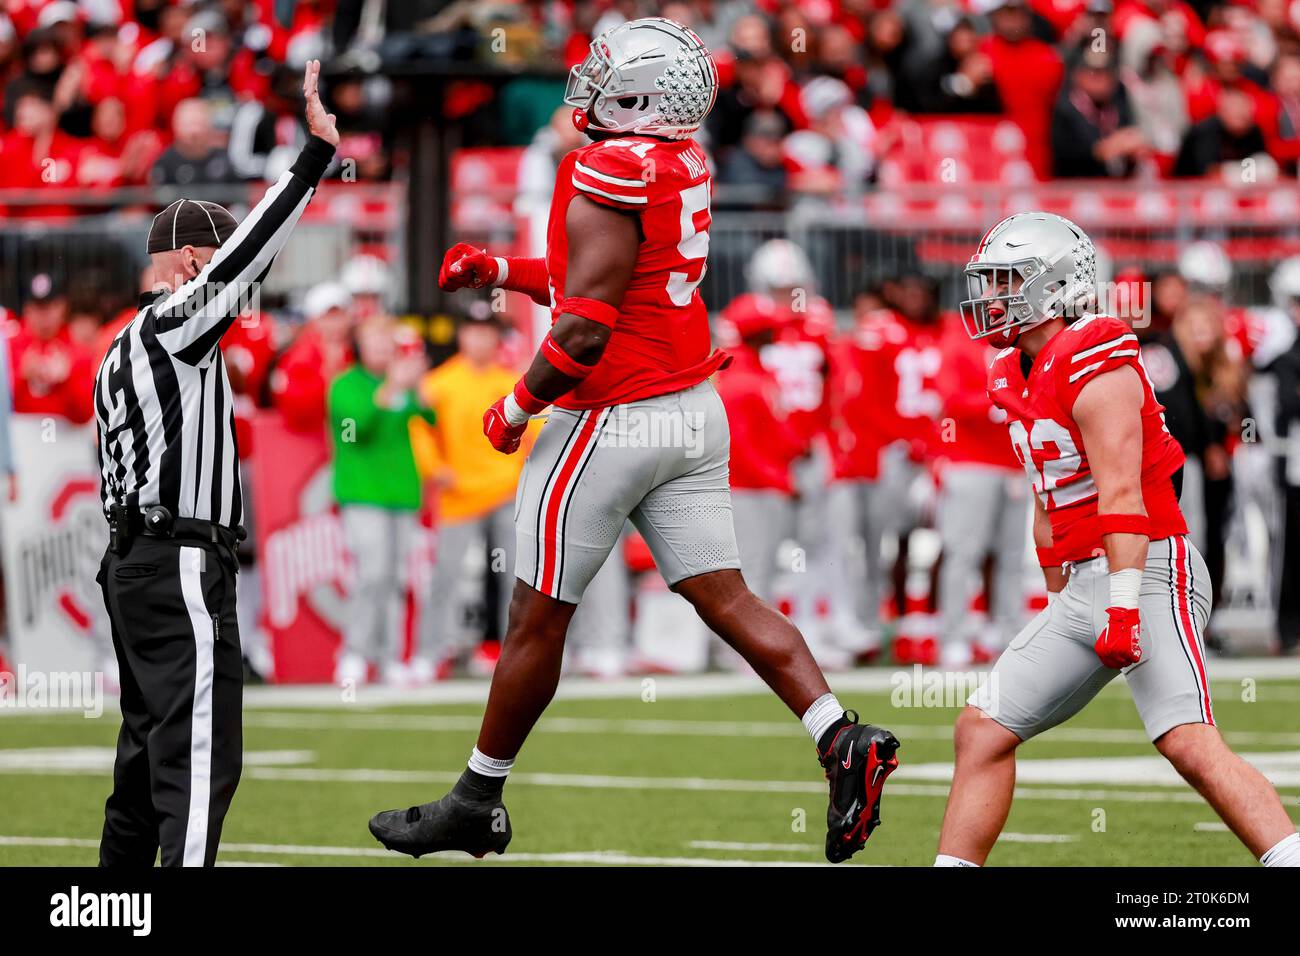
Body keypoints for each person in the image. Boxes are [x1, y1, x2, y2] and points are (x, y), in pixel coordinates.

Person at [367, 17, 899, 865]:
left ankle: (477, 800)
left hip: (615, 413)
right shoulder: (679, 159)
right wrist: (503, 271)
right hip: (692, 408)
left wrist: (514, 407)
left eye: (606, 72)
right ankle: (840, 738)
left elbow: (584, 325)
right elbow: (608, 273)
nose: (588, 82)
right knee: (726, 595)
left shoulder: (609, 165)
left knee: (536, 617)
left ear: (641, 93)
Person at [935, 211, 1300, 868]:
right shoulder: (1013, 372)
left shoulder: (1095, 354)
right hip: (1086, 582)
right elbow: (1048, 504)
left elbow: (1123, 495)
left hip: (1147, 567)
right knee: (981, 730)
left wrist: (1125, 606)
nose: (989, 297)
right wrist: (1056, 599)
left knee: (1186, 740)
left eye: (1004, 281)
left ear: (1052, 285)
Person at [92, 61, 337, 867]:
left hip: (134, 561)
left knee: (144, 763)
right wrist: (310, 160)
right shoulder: (171, 326)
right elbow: (249, 261)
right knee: (197, 761)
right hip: (177, 559)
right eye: (215, 257)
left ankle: (108, 909)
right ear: (190, 261)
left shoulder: (123, 347)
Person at [411, 308, 531, 679]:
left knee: (514, 576)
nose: (480, 340)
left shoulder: (512, 381)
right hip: (459, 496)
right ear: (462, 336)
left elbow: (532, 433)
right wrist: (435, 469)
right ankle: (430, 653)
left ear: (497, 339)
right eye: (474, 332)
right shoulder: (438, 383)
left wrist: (524, 474)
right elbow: (419, 427)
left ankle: (512, 653)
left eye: (487, 332)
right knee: (445, 575)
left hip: (505, 491)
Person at [329, 317, 435, 686]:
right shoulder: (345, 385)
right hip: (363, 493)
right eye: (373, 341)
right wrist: (392, 386)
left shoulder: (402, 385)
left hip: (402, 493)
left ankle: (392, 658)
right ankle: (355, 655)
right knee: (371, 575)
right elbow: (358, 430)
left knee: (396, 580)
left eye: (386, 341)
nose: (382, 348)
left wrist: (418, 385)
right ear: (358, 347)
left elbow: (431, 417)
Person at [8, 272, 95, 424]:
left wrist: (67, 379)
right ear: (27, 310)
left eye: (50, 307)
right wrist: (20, 375)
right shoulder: (9, 348)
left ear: (63, 307)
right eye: (38, 308)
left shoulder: (79, 350)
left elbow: (87, 415)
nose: (44, 316)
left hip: (64, 445)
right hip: (19, 445)